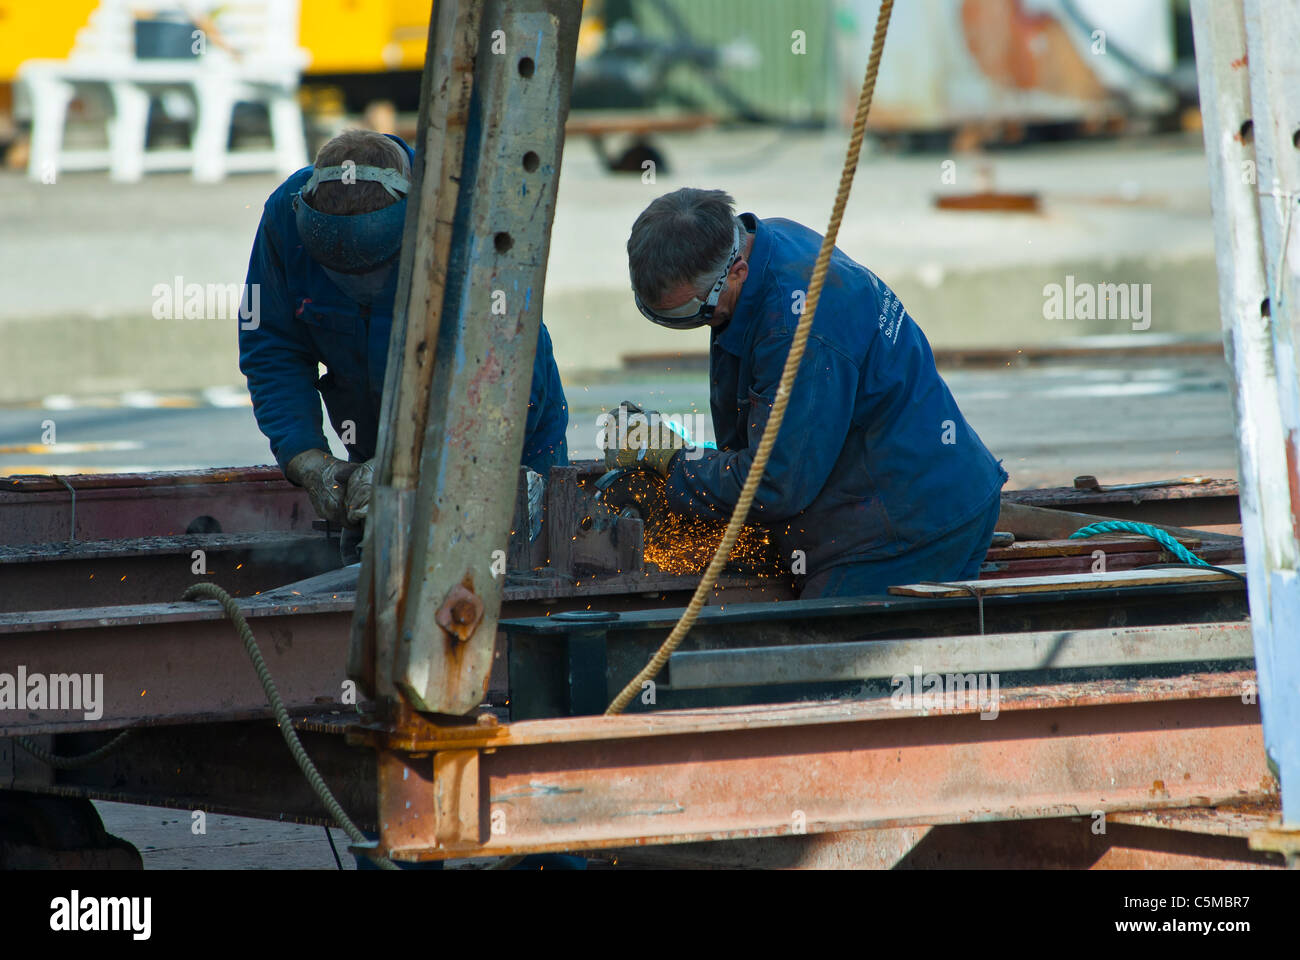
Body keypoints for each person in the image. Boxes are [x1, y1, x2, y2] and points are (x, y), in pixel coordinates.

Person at [607, 187, 1007, 598]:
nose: (689, 325)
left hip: (909, 529)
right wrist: (711, 460)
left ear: (737, 271)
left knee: (821, 653)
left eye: (688, 313)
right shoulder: (764, 242)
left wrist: (676, 462)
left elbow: (778, 485)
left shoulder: (796, 331)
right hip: (905, 493)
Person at [239, 129, 569, 549]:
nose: (358, 287)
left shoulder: (473, 225)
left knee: (508, 563)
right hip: (371, 442)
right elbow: (272, 347)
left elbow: (509, 379)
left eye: (374, 273)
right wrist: (305, 457)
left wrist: (411, 461)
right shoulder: (284, 217)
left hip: (506, 448)